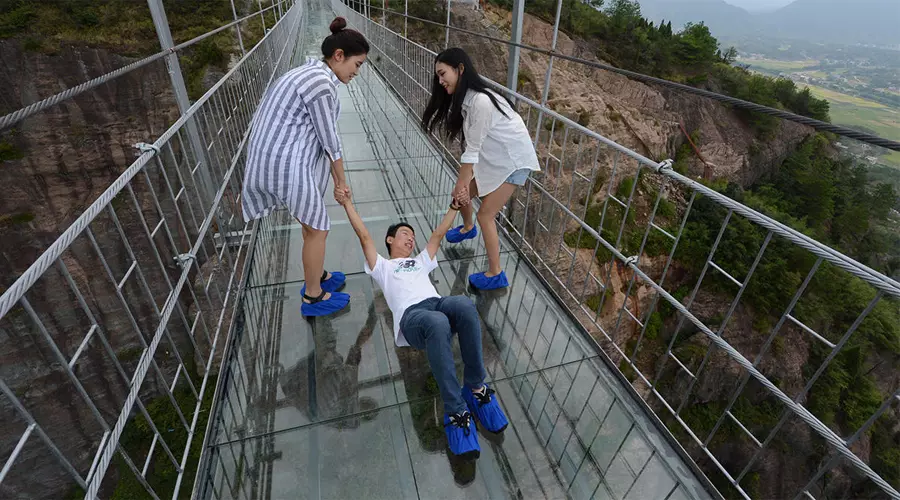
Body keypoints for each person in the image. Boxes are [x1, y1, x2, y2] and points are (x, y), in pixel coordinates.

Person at [338, 194, 509, 459]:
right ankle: (455, 409)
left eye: (412, 235)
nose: (410, 238)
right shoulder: (382, 266)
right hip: (413, 318)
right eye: (404, 234)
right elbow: (363, 236)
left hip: (436, 304)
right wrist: (348, 203)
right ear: (390, 240)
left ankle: (475, 388)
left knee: (464, 305)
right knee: (437, 322)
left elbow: (437, 236)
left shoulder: (419, 261)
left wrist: (454, 207)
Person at [241, 17, 369, 316]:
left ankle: (318, 275)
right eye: (358, 64)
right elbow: (329, 138)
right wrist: (341, 181)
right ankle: (313, 296)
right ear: (339, 56)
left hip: (275, 157)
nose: (357, 72)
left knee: (310, 223)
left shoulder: (310, 72)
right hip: (284, 163)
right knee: (319, 228)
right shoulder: (321, 84)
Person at [422, 47, 540, 291]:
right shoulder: (469, 100)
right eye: (438, 77)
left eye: (443, 74)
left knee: (485, 213)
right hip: (496, 157)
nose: (440, 81)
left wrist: (462, 183)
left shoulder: (481, 101)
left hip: (514, 162)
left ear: (460, 69)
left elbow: (472, 150)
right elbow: (474, 148)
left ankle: (496, 274)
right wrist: (462, 184)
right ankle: (467, 228)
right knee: (463, 191)